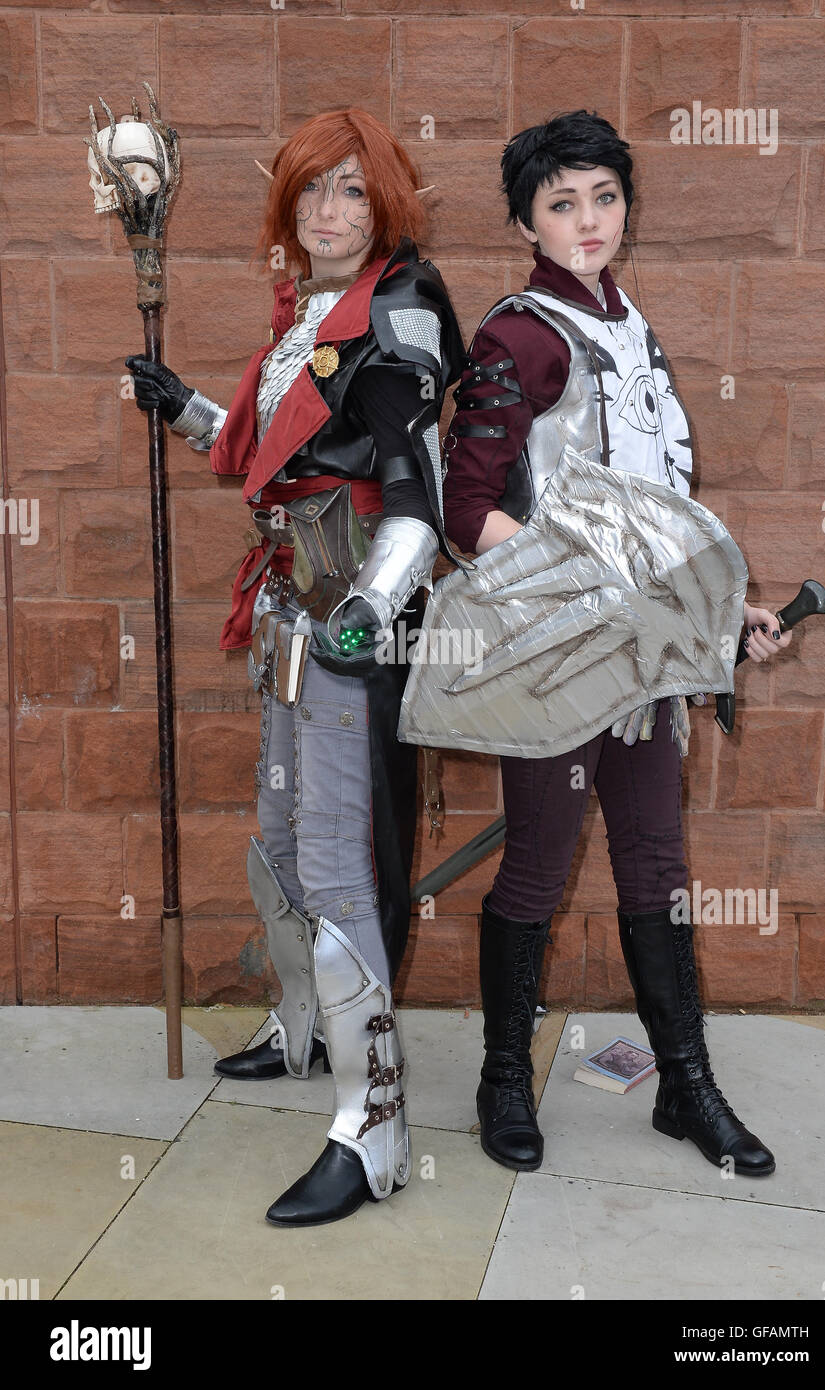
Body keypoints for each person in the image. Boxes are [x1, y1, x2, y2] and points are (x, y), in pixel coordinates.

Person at [436, 110, 791, 1179]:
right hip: (557, 650)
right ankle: (504, 1077)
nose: (586, 220)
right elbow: (466, 510)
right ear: (525, 220)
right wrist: (587, 585)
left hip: (649, 656)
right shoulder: (517, 335)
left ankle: (683, 1085)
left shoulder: (631, 328)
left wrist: (723, 609)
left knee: (657, 864)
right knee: (540, 864)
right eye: (561, 203)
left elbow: (660, 513)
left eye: (602, 197)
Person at [126, 108, 465, 1226]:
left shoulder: (399, 310)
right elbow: (270, 459)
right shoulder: (306, 319)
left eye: (352, 194)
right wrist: (183, 408)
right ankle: (304, 1027)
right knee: (276, 838)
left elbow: (416, 500)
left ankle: (375, 1124)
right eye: (312, 191)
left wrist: (370, 605)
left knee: (333, 863)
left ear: (388, 207)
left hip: (347, 619)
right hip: (284, 608)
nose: (328, 213)